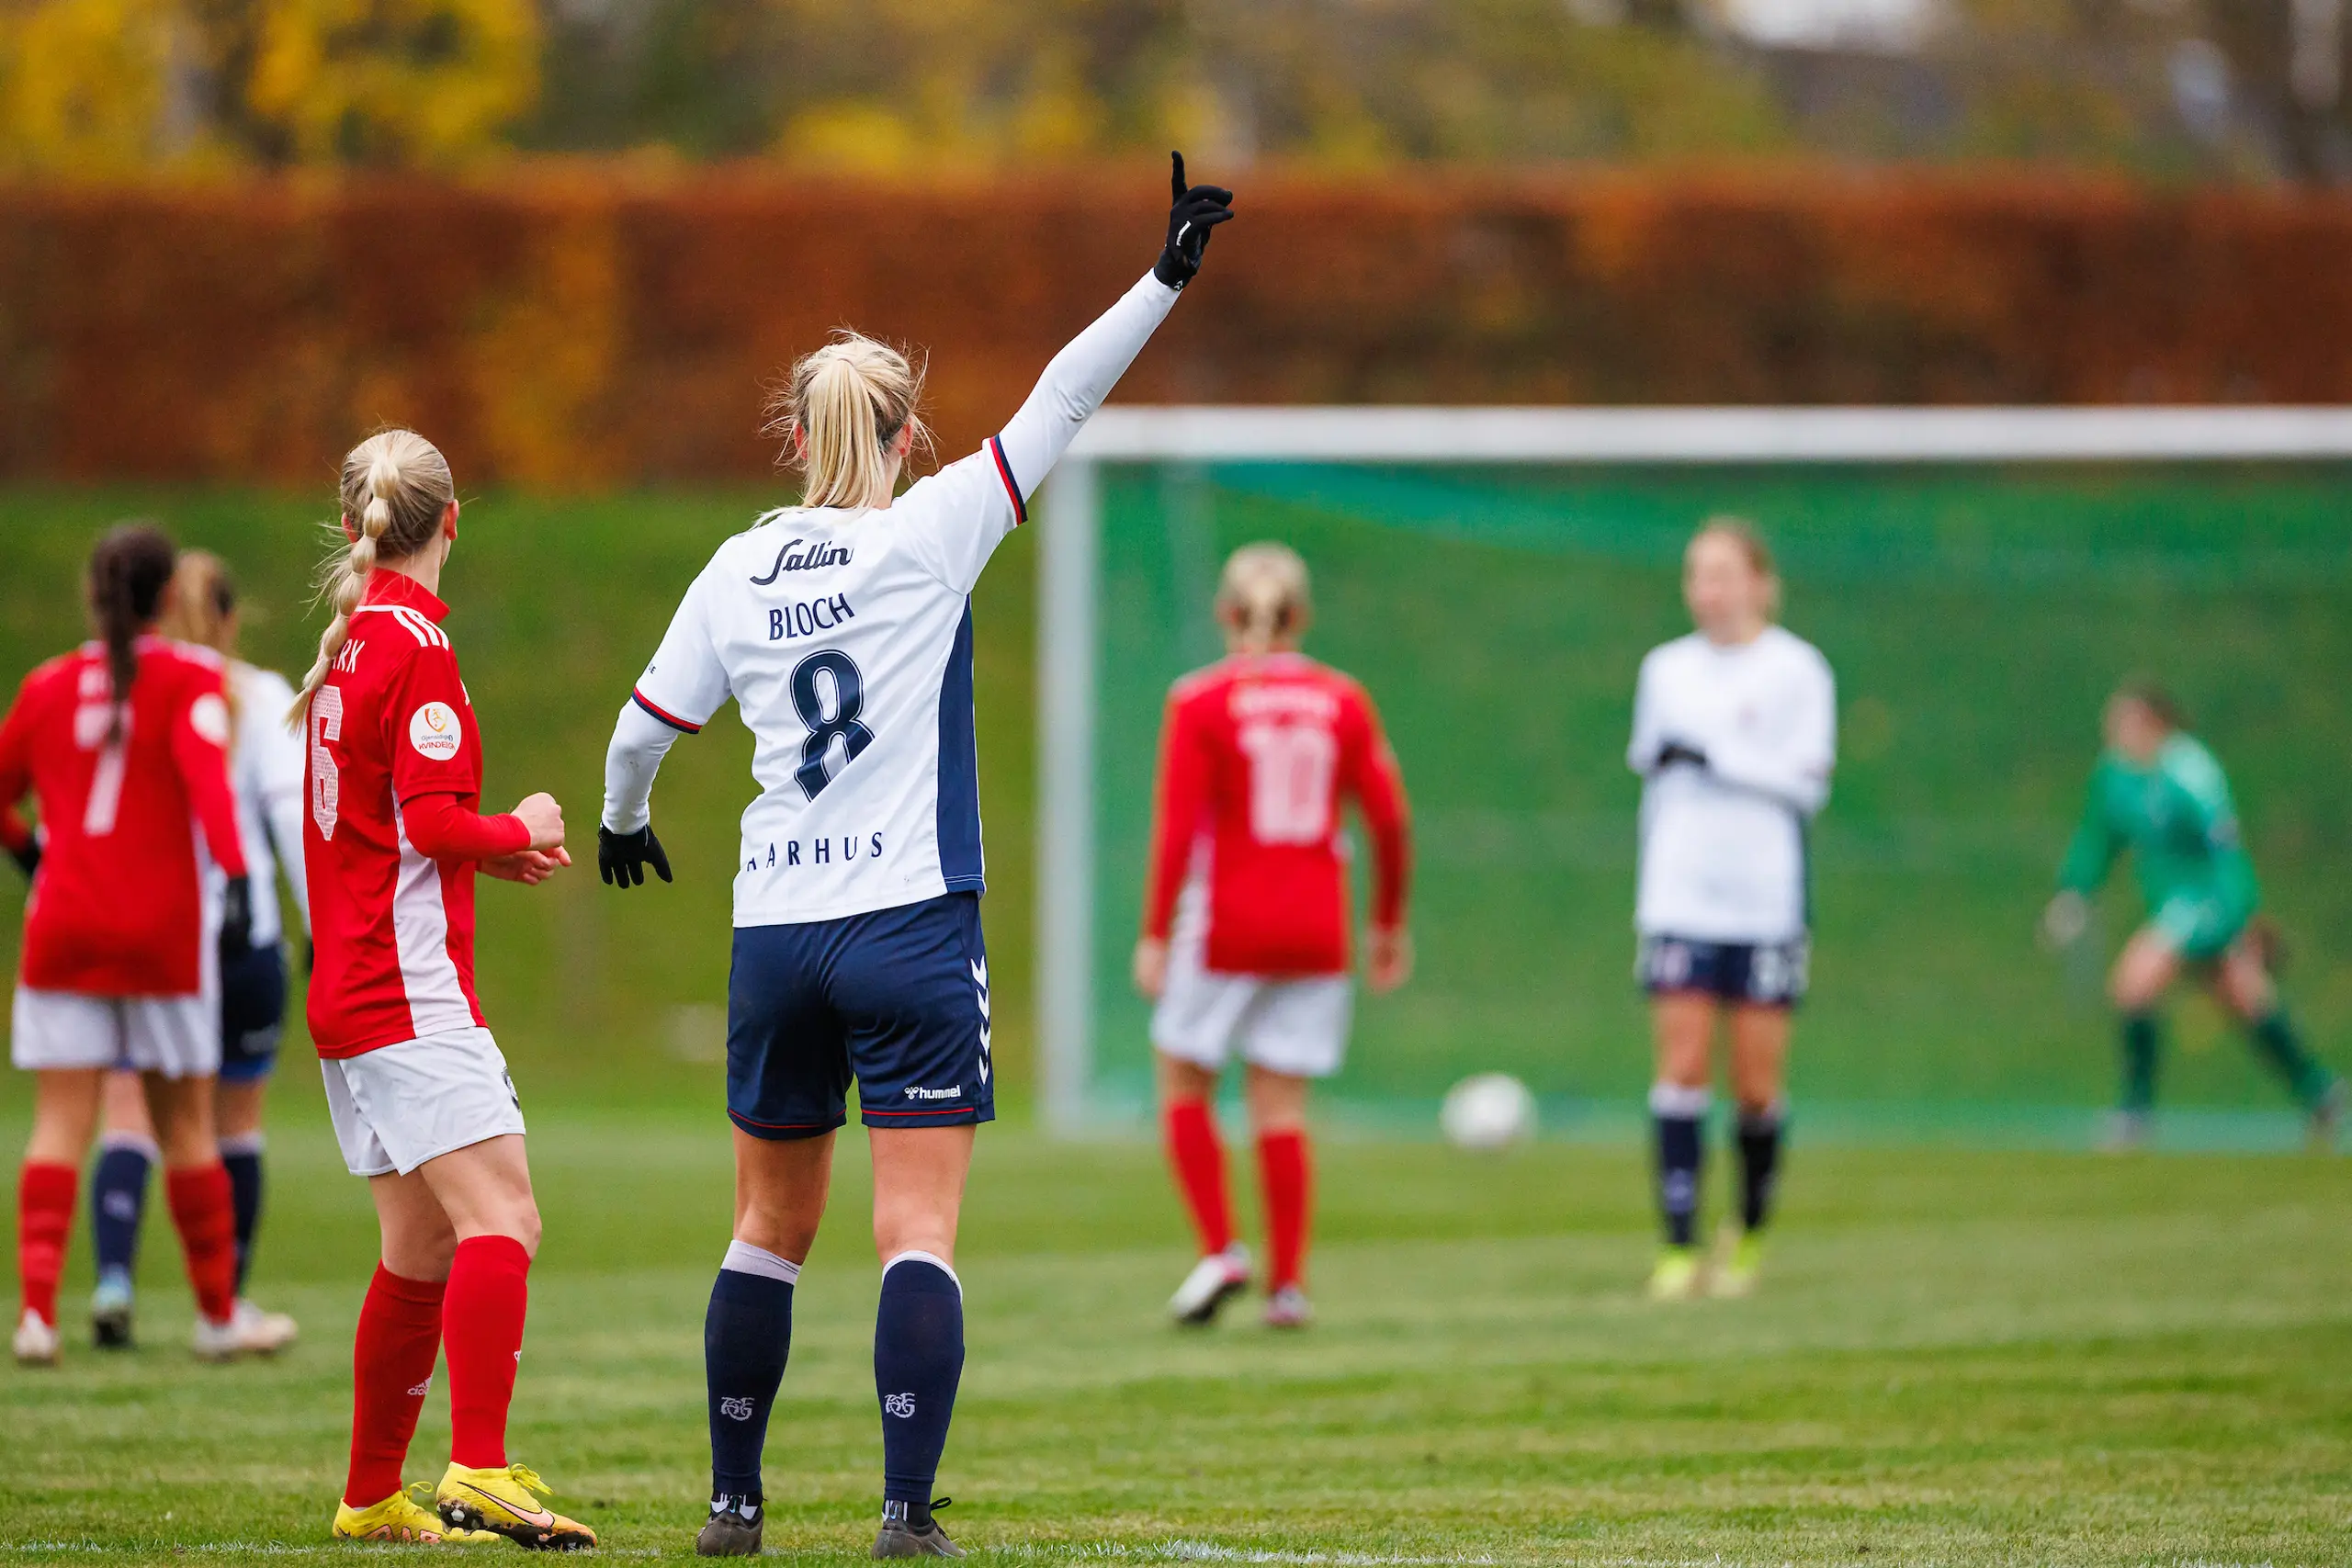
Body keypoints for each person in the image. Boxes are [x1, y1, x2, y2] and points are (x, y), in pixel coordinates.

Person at [599, 154, 1234, 1559]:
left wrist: (623, 822)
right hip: (909, 924)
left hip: (777, 932)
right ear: (904, 436)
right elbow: (1061, 400)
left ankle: (733, 1504)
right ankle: (901, 1510)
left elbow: (640, 734)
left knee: (765, 1224)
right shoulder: (932, 534)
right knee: (917, 1228)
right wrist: (1163, 277)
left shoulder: (738, 565)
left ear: (796, 437)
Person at [295, 429, 594, 1549]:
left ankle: (372, 1496)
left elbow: (391, 826)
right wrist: (521, 826)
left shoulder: (347, 645)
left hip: (351, 986)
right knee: (504, 1219)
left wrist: (485, 853)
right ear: (452, 521)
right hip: (405, 992)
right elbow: (427, 822)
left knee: (418, 1250)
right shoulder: (416, 645)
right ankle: (478, 1468)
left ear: (352, 526)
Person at [1135, 544, 1412, 1332]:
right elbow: (1389, 819)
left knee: (1184, 1077)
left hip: (1228, 921)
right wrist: (1387, 921)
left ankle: (1222, 1248)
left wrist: (1155, 933)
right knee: (1281, 1102)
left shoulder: (1200, 700)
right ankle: (1288, 1286)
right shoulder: (1343, 698)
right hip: (1316, 928)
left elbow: (1178, 828)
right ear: (1303, 616)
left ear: (1227, 613)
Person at [4, 524, 255, 1366]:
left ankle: (37, 1317)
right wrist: (237, 875)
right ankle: (217, 1317)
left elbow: (3, 792)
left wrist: (31, 854)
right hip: (159, 932)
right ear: (166, 596)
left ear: (93, 594)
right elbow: (206, 781)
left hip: (65, 925)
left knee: (58, 1124)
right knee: (185, 1126)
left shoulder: (46, 684)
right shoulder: (191, 677)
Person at [82, 551, 307, 1354]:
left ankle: (114, 1281)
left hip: (151, 933)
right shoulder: (260, 694)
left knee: (130, 1109)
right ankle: (226, 1302)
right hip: (244, 938)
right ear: (231, 617)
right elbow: (291, 818)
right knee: (235, 1121)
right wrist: (320, 928)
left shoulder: (117, 690)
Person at [1627, 518, 1835, 1303]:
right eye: (1696, 575)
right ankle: (1677, 1246)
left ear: (1759, 583)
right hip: (1682, 892)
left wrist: (1720, 756)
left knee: (1755, 1082)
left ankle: (1746, 1232)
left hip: (1764, 898)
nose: (1706, 591)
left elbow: (1808, 782)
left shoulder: (1797, 670)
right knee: (1681, 1064)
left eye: (1721, 574)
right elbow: (1651, 770)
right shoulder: (1665, 669)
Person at [2042, 682, 2342, 1151]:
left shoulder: (2190, 769)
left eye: (2124, 722)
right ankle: (2319, 1091)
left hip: (2207, 901)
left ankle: (2134, 1114)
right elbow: (2099, 838)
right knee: (2243, 998)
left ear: (2154, 723)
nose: (2115, 732)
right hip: (2171, 903)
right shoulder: (2116, 775)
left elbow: (2224, 846)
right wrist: (2075, 892)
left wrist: (2244, 912)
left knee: (2133, 984)